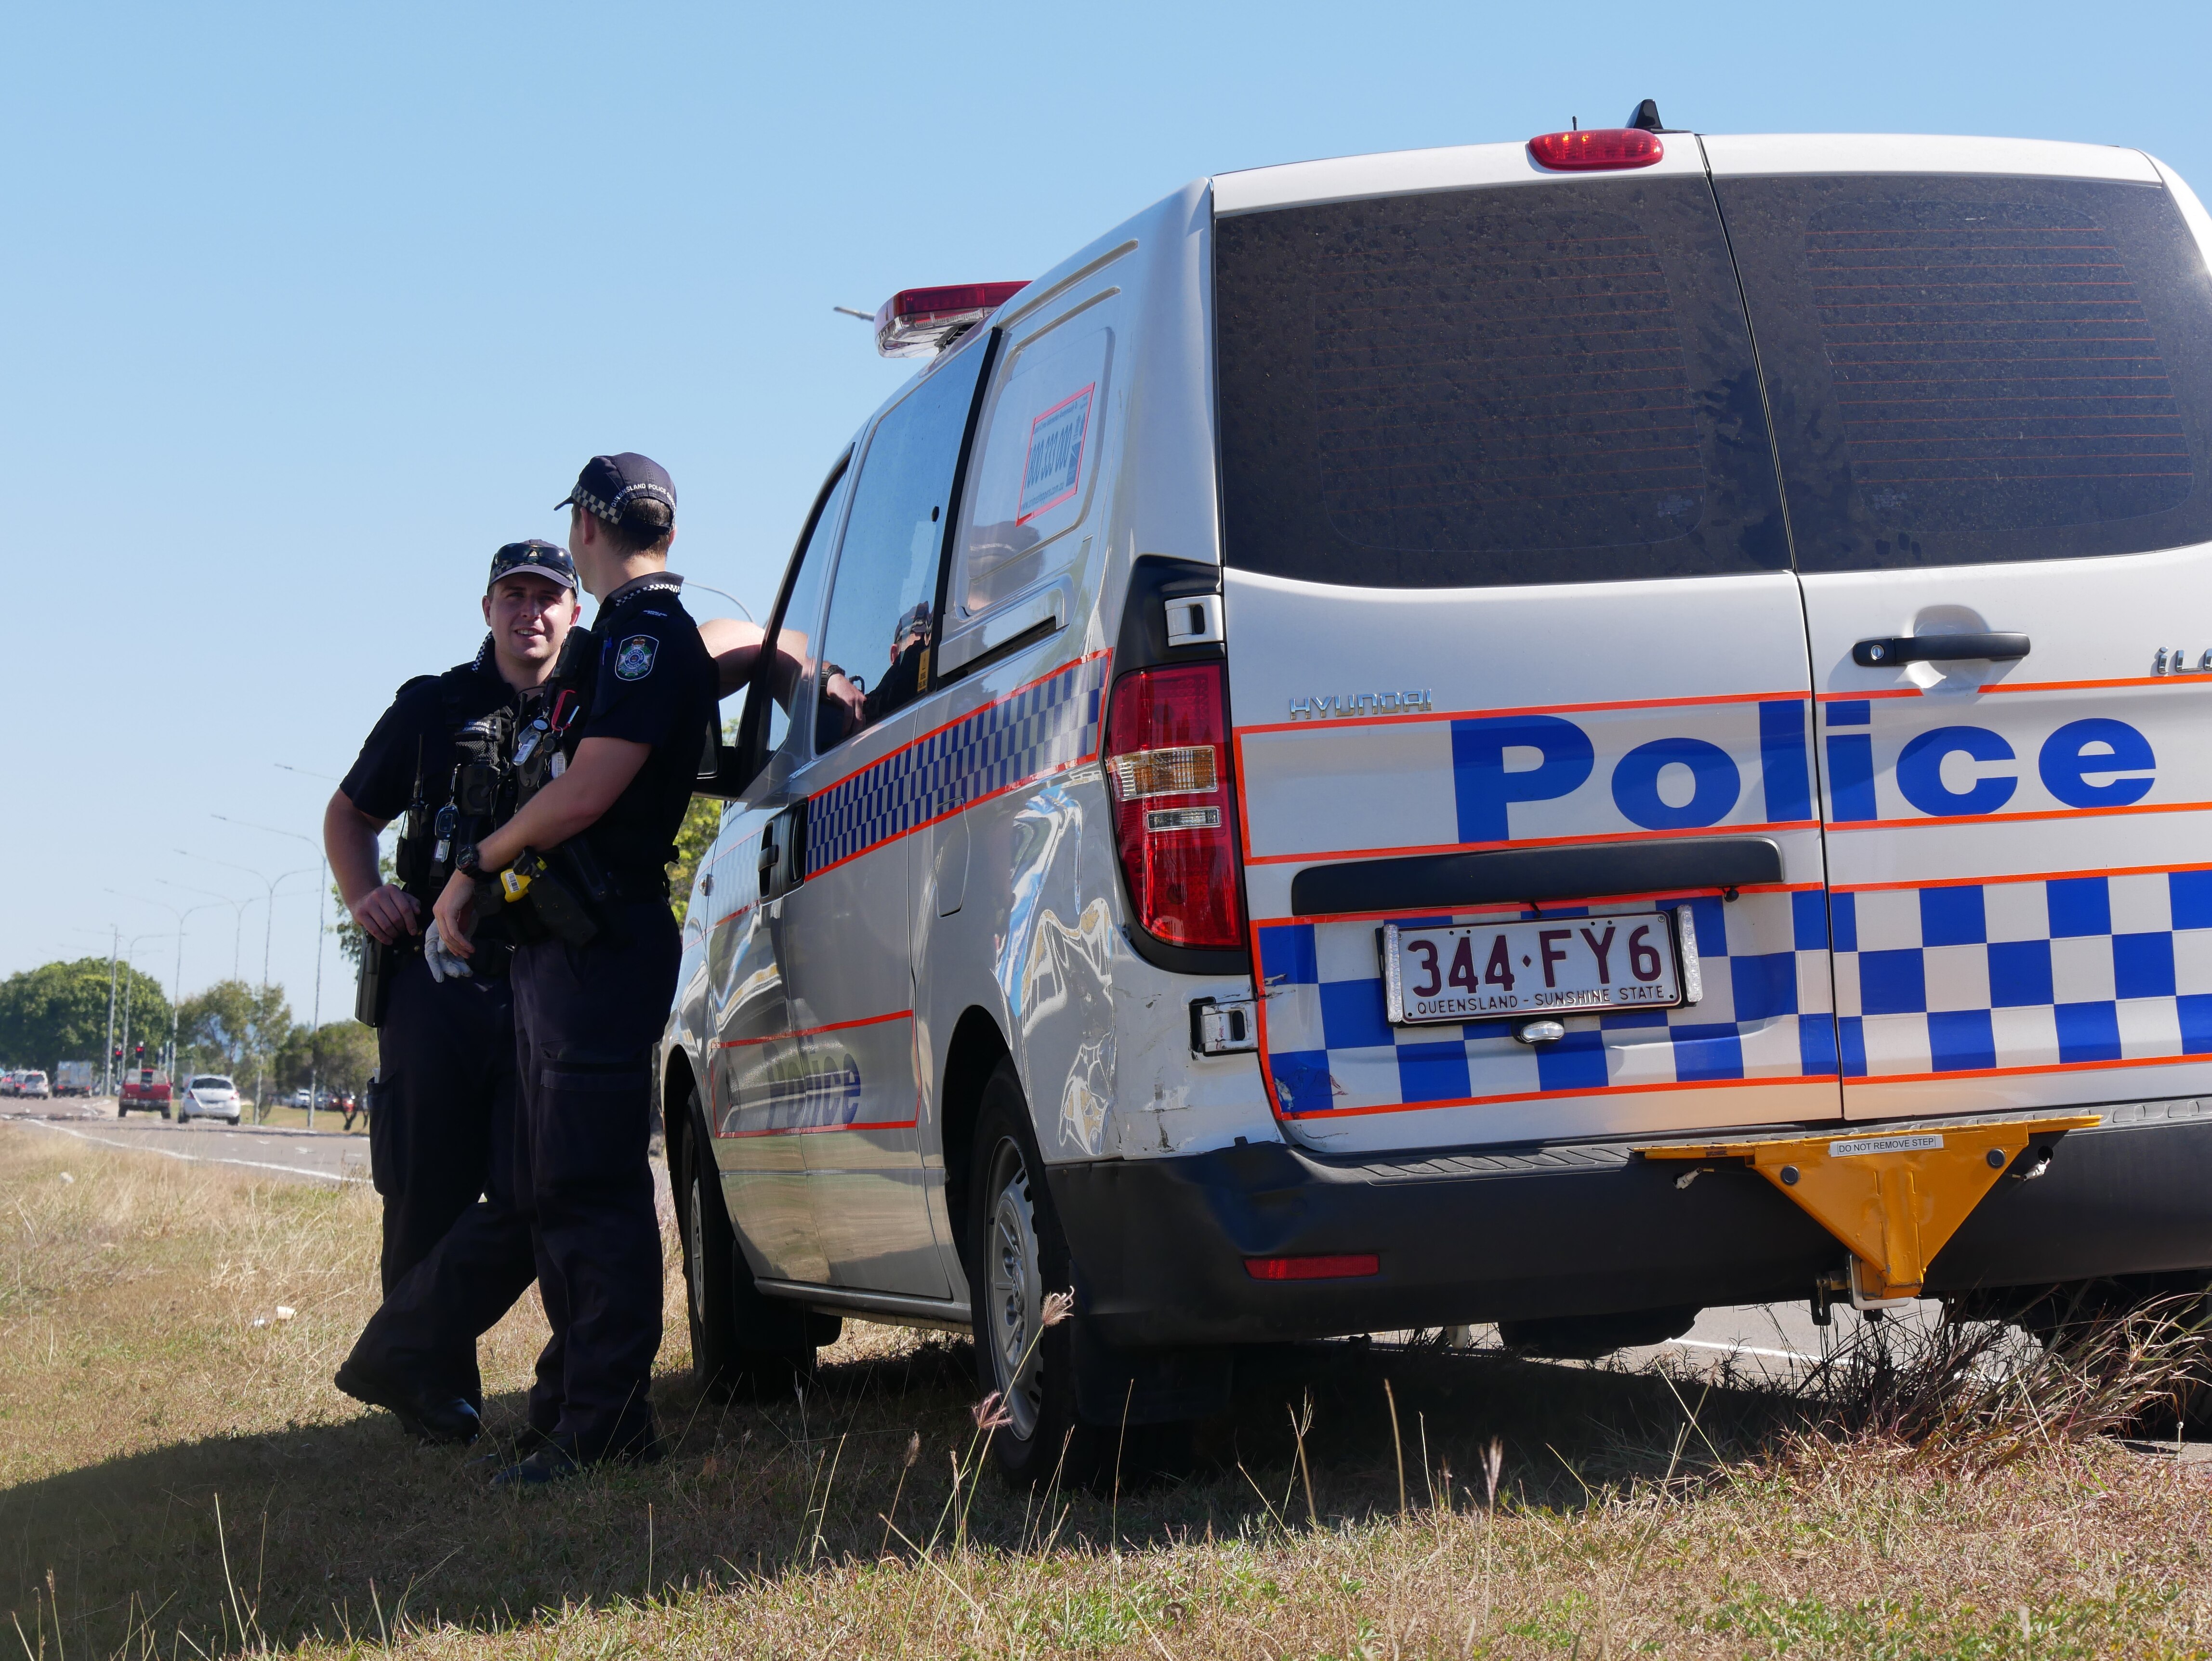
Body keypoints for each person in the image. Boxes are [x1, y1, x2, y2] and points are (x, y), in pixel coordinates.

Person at [429, 451, 718, 1483]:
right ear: (667, 532)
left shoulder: (643, 637)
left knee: (590, 1186)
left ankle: (606, 1422)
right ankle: (565, 1405)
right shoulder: (628, 638)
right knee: (556, 1183)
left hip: (604, 938)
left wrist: (477, 859)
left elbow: (591, 788)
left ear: (588, 530)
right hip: (567, 944)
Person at [324, 540, 580, 1439]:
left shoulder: (592, 704)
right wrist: (365, 896)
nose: (531, 614)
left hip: (541, 974)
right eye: (514, 597)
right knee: (424, 1185)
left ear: (573, 614)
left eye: (548, 598)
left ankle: (403, 1347)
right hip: (433, 984)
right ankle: (431, 1389)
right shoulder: (432, 706)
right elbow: (350, 813)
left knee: (531, 1187)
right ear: (487, 610)